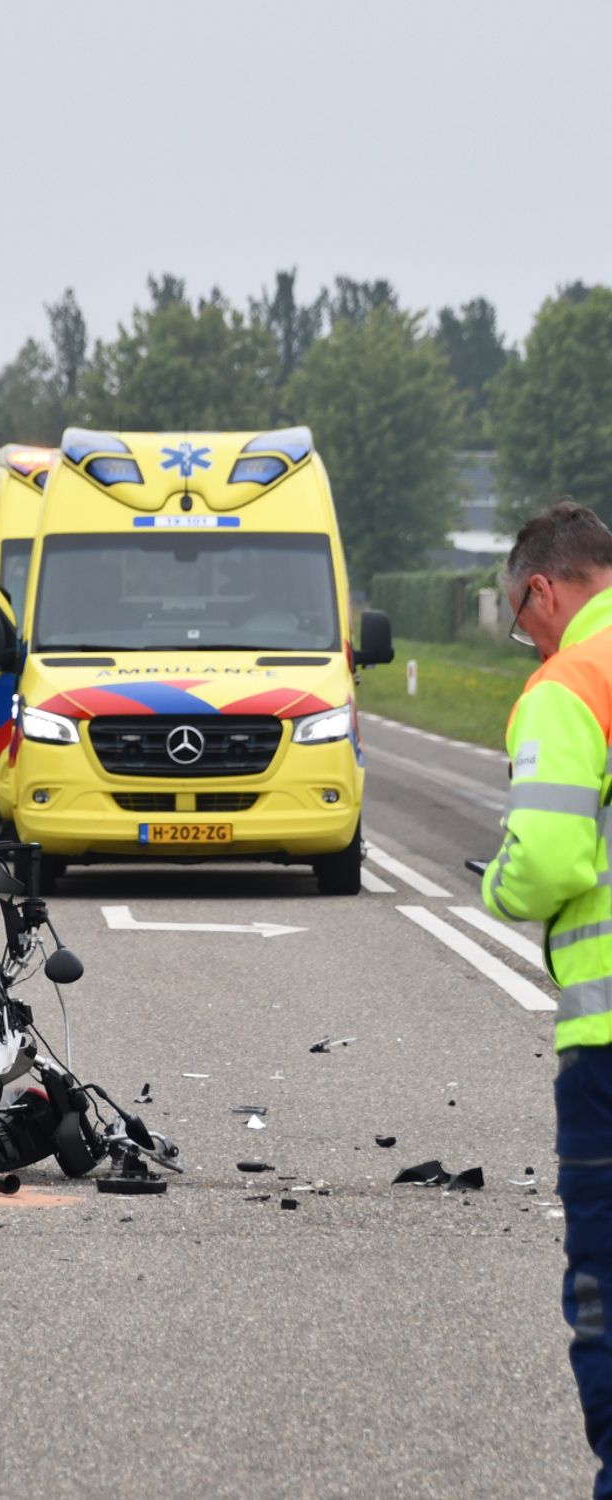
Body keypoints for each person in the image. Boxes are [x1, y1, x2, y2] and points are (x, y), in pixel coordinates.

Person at [481, 499, 612, 1497]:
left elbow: (551, 863)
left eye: (520, 620)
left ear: (540, 590)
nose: (527, 638)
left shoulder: (573, 682)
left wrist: (495, 882)